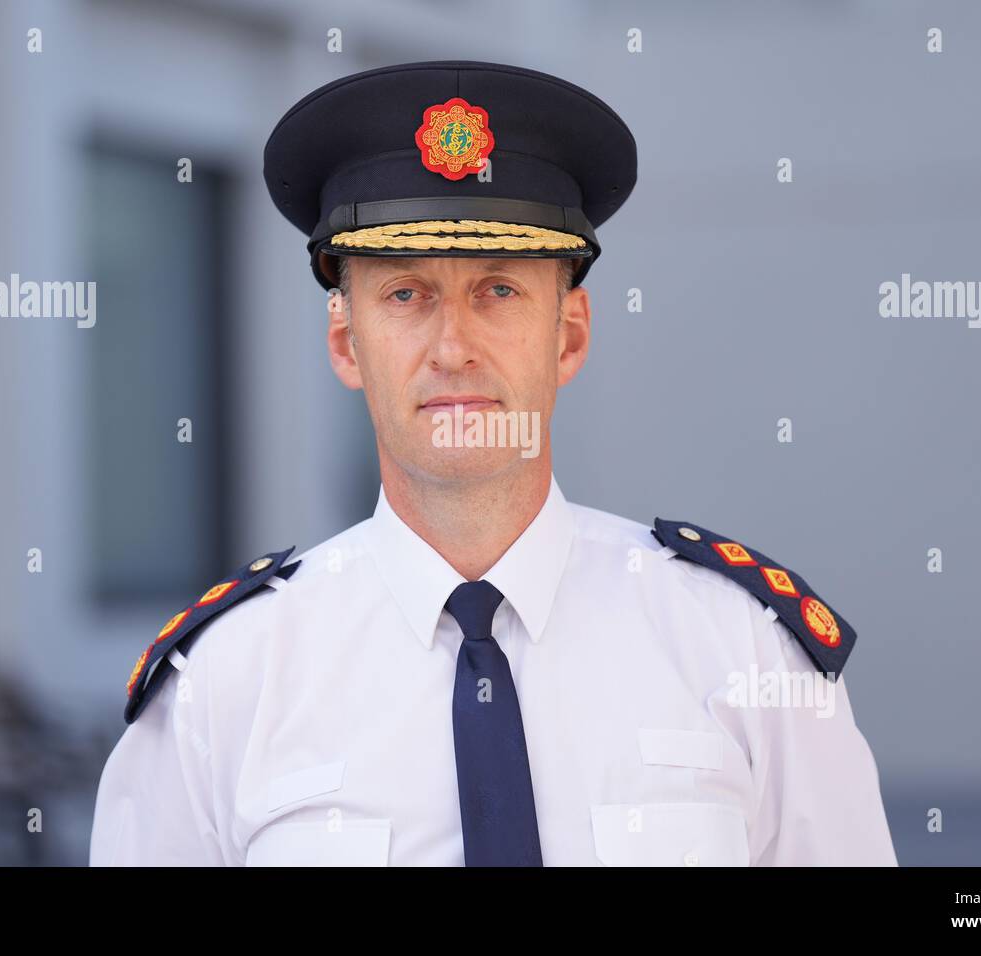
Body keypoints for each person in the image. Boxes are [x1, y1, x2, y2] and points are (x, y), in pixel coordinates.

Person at [88, 60, 897, 867]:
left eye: (499, 290)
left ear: (569, 333)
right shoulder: (222, 686)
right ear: (346, 341)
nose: (452, 349)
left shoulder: (742, 651)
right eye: (406, 294)